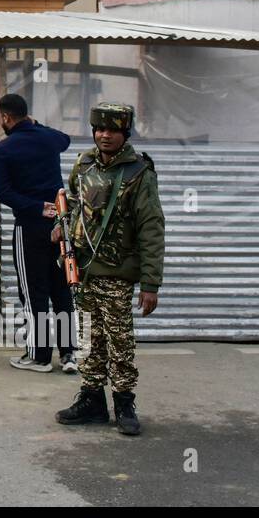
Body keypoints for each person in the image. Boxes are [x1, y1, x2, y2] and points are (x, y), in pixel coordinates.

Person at [54, 103, 164, 436]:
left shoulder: (138, 172)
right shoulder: (83, 164)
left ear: (125, 133)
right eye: (100, 129)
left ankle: (124, 402)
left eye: (113, 130)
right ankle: (92, 400)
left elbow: (151, 226)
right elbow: (74, 201)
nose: (105, 135)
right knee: (89, 337)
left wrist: (151, 282)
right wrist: (63, 225)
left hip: (117, 271)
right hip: (84, 270)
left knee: (120, 341)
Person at [0, 93, 77, 373]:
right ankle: (69, 354)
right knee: (62, 291)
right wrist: (36, 124)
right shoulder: (48, 139)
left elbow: (1, 190)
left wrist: (34, 206)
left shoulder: (4, 149)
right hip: (59, 226)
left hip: (29, 226)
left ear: (5, 117)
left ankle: (38, 357)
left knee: (33, 293)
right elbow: (65, 138)